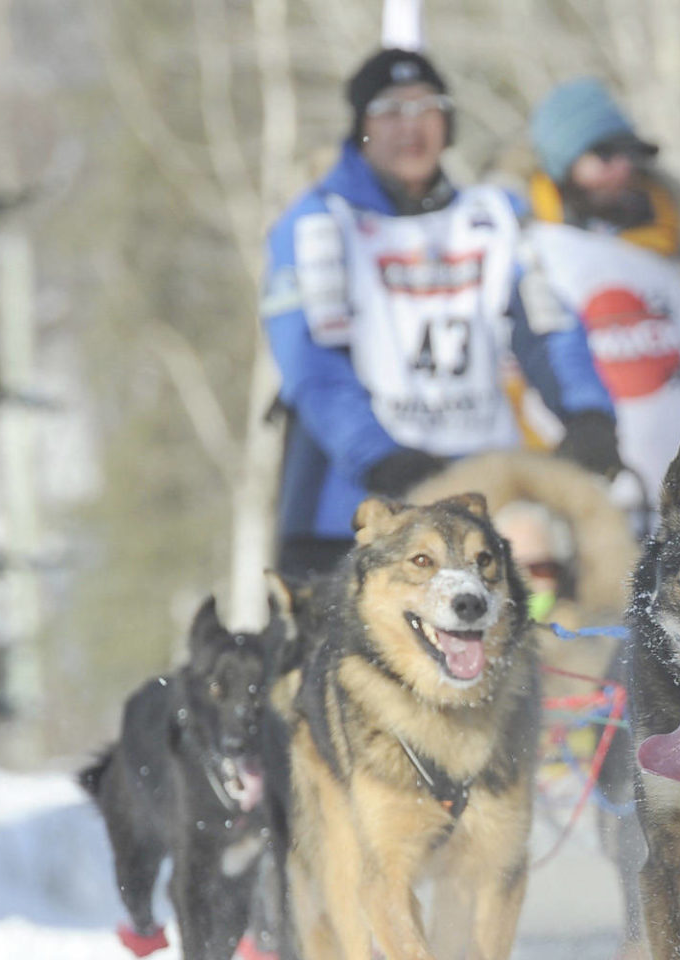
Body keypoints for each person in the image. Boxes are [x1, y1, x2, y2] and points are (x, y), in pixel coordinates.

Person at [261, 47, 621, 577]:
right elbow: (311, 363)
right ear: (360, 125)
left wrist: (587, 413)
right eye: (389, 111)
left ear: (448, 124)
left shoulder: (495, 216)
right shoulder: (319, 222)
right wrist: (380, 458)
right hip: (349, 505)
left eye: (427, 107)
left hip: (477, 497)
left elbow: (549, 328)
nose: (410, 127)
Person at [522, 77, 680, 525]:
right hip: (587, 510)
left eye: (628, 153)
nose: (622, 169)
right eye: (603, 156)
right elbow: (518, 385)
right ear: (561, 166)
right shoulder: (537, 254)